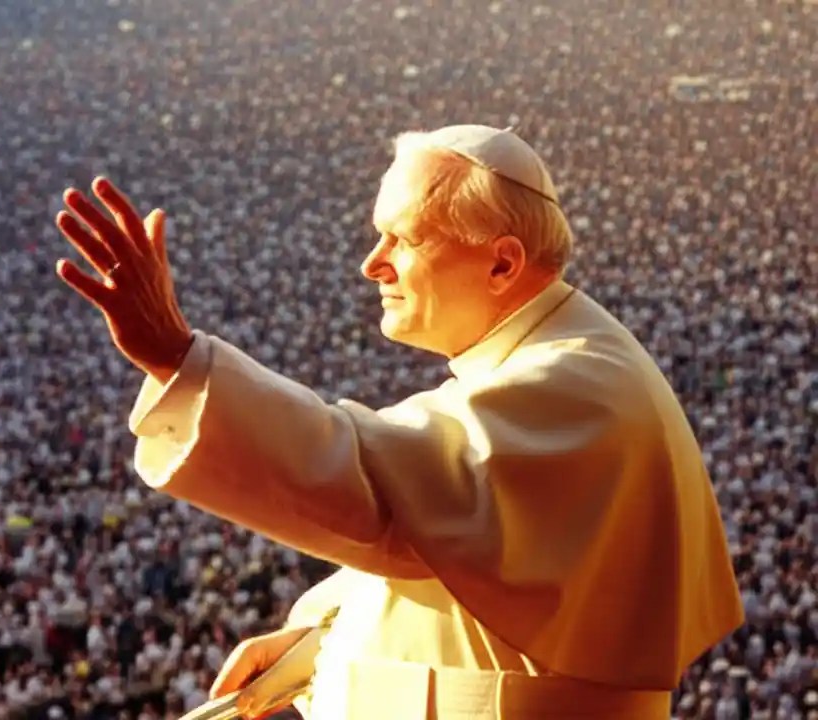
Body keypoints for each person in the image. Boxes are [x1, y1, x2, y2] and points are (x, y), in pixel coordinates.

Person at [52, 124, 746, 719]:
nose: (371, 263)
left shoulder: (578, 386)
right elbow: (461, 562)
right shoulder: (548, 354)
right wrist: (315, 646)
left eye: (400, 239)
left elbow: (374, 491)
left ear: (502, 262)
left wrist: (180, 356)